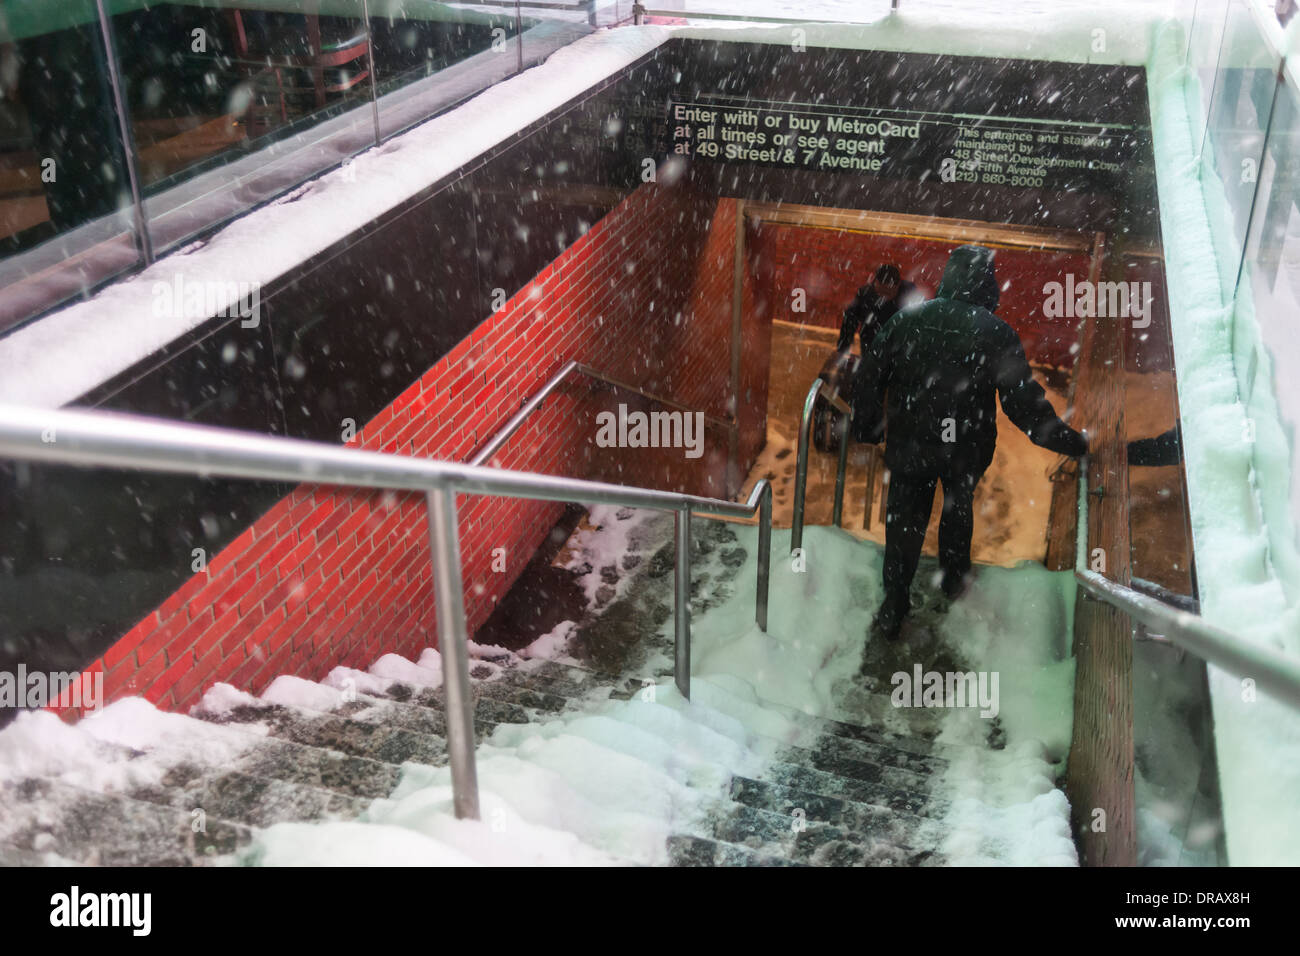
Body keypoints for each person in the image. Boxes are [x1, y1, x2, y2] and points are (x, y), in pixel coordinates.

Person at [851, 244, 1088, 642]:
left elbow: (869, 374)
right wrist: (1069, 442)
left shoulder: (908, 320)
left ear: (949, 277)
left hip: (912, 443)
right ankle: (954, 579)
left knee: (904, 524)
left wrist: (868, 427)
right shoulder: (995, 333)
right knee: (957, 510)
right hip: (963, 447)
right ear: (986, 283)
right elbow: (1022, 403)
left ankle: (894, 603)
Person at [836, 263, 923, 354]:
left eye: (888, 293)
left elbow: (920, 320)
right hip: (871, 344)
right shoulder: (865, 294)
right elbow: (850, 320)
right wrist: (843, 348)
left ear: (898, 285)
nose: (884, 297)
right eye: (881, 292)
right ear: (875, 283)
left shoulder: (909, 293)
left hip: (901, 345)